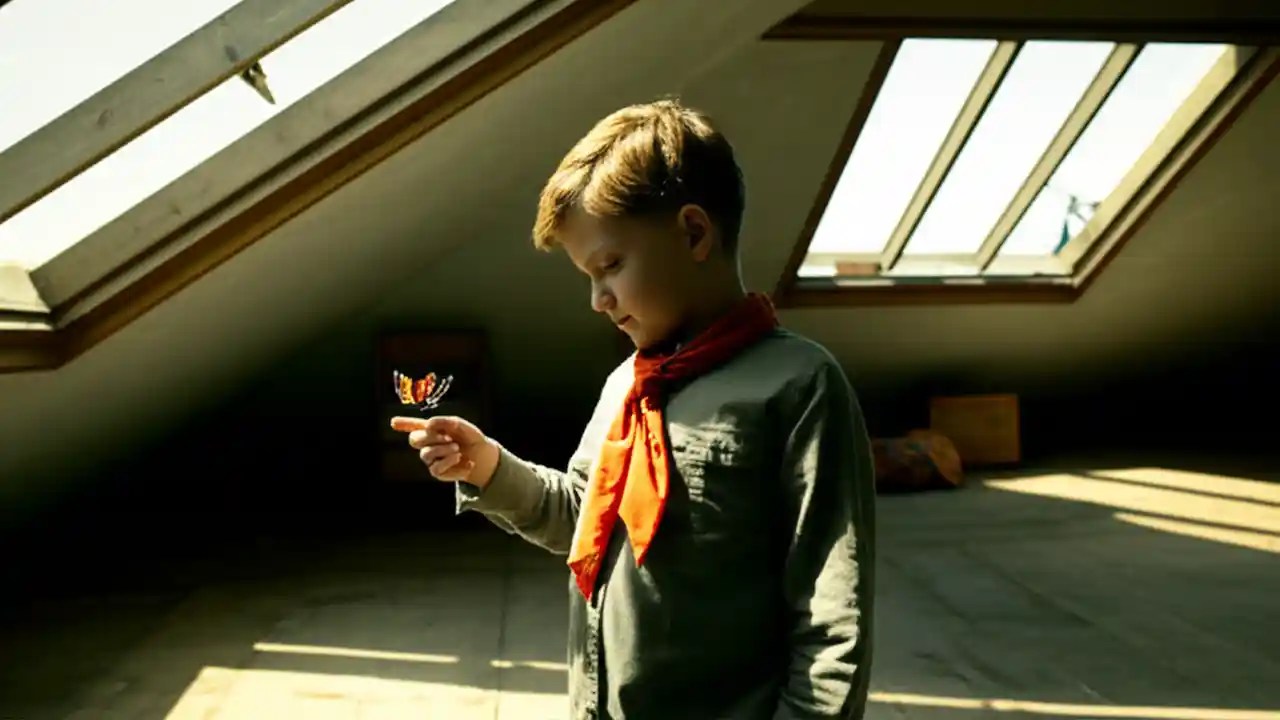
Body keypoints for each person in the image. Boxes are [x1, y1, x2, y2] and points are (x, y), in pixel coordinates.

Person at [391, 98, 876, 720]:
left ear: (694, 233)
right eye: (587, 278)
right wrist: (489, 467)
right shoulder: (627, 384)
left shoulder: (799, 387)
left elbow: (833, 616)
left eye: (610, 266)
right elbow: (583, 518)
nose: (598, 299)